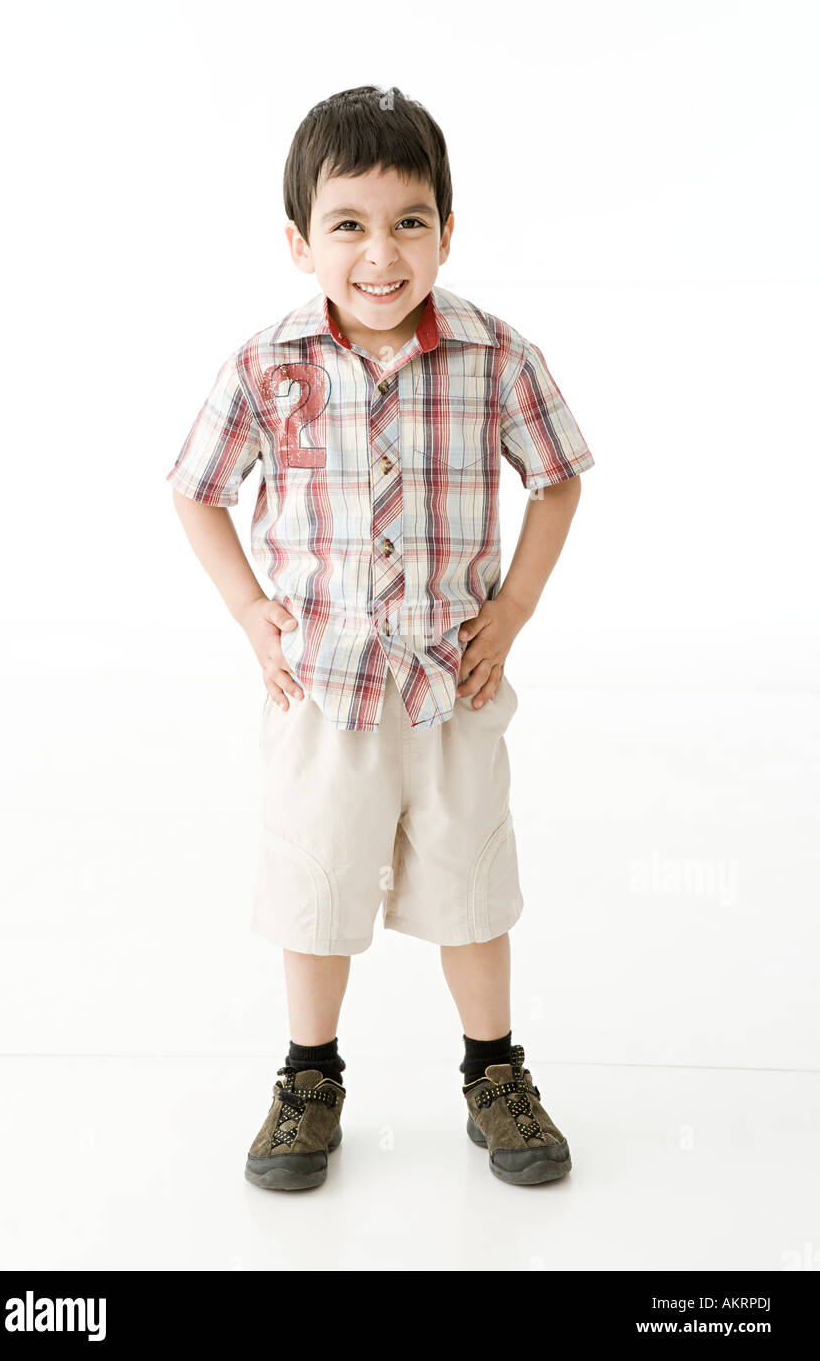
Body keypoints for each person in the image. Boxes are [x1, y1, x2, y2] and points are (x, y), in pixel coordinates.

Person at [166, 85, 595, 1191]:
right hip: (322, 690)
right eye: (347, 224)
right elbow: (198, 493)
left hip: (454, 683)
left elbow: (553, 484)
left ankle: (493, 1070)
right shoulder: (267, 366)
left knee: (471, 882)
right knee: (314, 884)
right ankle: (309, 1076)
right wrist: (250, 608)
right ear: (300, 240)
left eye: (408, 221)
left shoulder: (497, 356)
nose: (379, 252)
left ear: (445, 231)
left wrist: (512, 609)